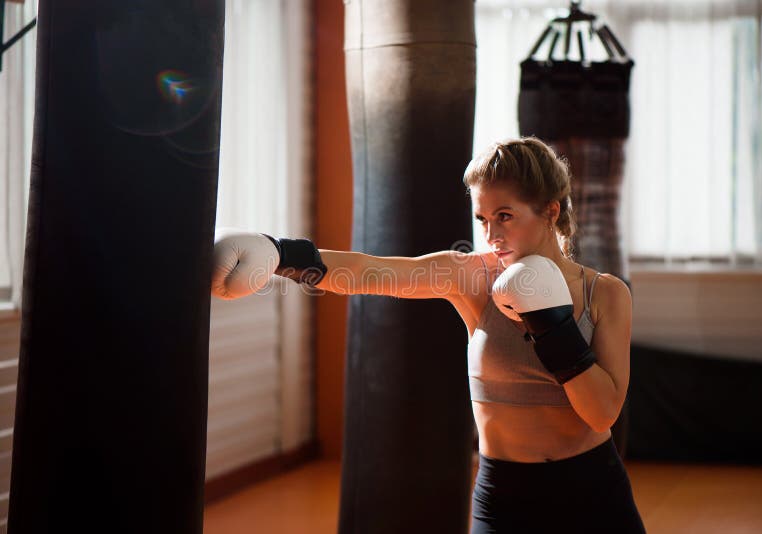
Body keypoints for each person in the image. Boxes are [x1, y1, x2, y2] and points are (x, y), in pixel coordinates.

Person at [211, 136, 646, 533]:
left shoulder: (603, 294)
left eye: (505, 216)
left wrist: (553, 325)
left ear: (550, 210)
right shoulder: (471, 278)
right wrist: (281, 253)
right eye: (482, 219)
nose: (492, 235)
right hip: (506, 498)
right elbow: (372, 271)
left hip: (592, 494)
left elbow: (602, 412)